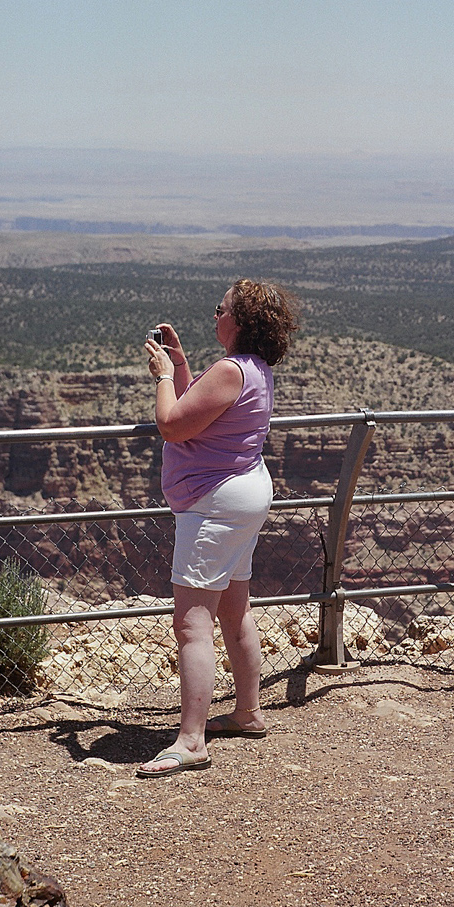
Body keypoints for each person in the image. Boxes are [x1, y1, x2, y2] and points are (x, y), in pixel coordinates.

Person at [136, 278, 299, 778]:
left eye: (221, 308)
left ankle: (191, 740)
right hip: (243, 493)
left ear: (242, 321)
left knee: (192, 625)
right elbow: (198, 412)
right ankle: (247, 711)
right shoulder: (253, 368)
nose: (215, 313)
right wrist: (182, 366)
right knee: (236, 607)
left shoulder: (231, 370)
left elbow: (172, 423)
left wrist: (163, 375)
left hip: (214, 504)